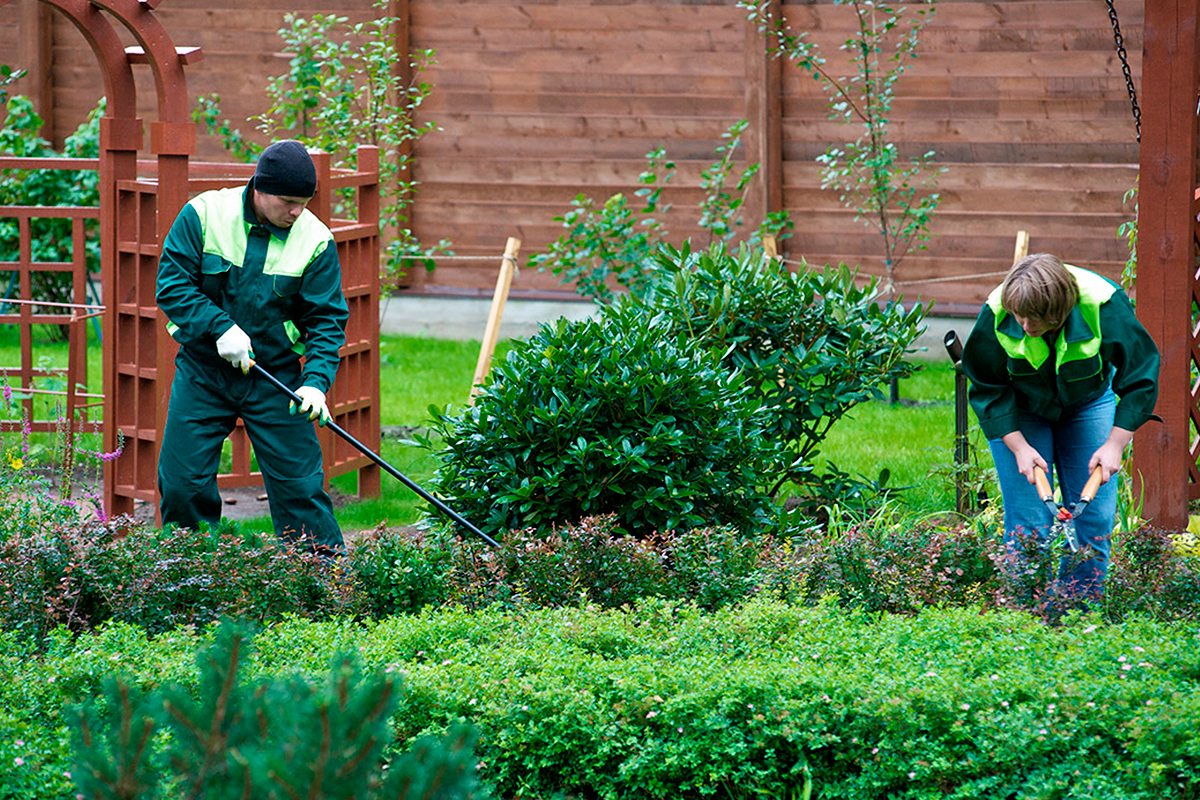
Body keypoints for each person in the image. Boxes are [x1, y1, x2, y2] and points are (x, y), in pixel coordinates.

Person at [156, 140, 349, 556]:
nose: (297, 212)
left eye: (304, 202)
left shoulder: (315, 240)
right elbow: (171, 286)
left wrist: (315, 384)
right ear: (260, 188)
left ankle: (323, 586)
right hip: (203, 373)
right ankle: (191, 578)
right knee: (181, 485)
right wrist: (219, 327)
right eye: (289, 202)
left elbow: (326, 322)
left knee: (300, 488)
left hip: (276, 379)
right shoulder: (205, 215)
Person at [962, 253, 1160, 604]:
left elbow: (1140, 375)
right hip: (1020, 411)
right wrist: (1020, 448)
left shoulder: (1102, 304)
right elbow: (988, 388)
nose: (1023, 326)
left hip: (1088, 402)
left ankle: (1078, 614)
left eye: (1033, 320)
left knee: (1094, 518)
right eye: (1018, 316)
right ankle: (1023, 618)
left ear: (1059, 312)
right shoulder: (998, 311)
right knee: (1029, 523)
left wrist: (1115, 444)